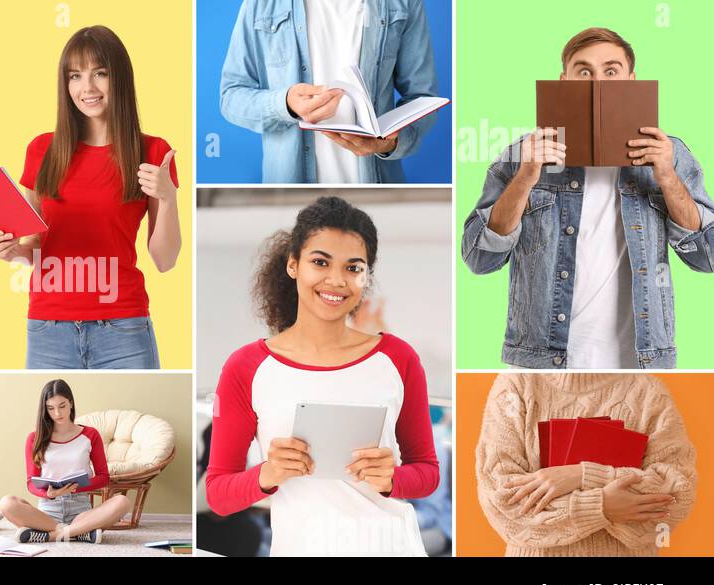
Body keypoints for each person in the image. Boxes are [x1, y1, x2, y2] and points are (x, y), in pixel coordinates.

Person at [461, 27, 714, 369]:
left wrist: (667, 176)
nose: (597, 83)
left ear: (631, 80)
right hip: (543, 362)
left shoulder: (671, 154)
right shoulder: (523, 153)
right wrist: (525, 177)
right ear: (564, 81)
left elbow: (708, 257)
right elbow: (479, 259)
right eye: (584, 72)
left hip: (638, 363)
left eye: (611, 71)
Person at [205, 196, 439, 556]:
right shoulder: (246, 367)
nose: (336, 280)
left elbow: (427, 472)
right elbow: (218, 496)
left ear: (366, 276)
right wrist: (268, 474)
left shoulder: (397, 358)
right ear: (293, 264)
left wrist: (393, 478)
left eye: (353, 267)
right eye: (320, 262)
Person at [0, 25, 180, 369]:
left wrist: (168, 198)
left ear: (119, 78)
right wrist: (12, 250)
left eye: (100, 73)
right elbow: (32, 246)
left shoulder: (153, 151)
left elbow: (164, 261)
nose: (86, 87)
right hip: (49, 330)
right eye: (75, 76)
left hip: (123, 327)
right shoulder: (41, 149)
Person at [476, 373, 695, 556]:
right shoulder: (516, 385)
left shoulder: (648, 393)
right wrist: (600, 506)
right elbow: (501, 502)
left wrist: (582, 474)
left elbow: (678, 494)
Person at [219, 0, 440, 183]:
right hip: (289, 184)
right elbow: (231, 96)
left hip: (378, 183)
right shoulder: (261, 4)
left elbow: (422, 96)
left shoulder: (404, 3)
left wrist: (390, 142)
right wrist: (285, 105)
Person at [0, 379, 130, 544]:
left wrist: (75, 488)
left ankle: (52, 535)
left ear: (71, 403)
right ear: (45, 410)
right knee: (7, 503)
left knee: (122, 502)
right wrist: (49, 494)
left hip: (81, 511)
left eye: (62, 406)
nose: (58, 413)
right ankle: (80, 533)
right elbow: (31, 482)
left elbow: (103, 477)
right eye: (51, 408)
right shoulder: (35, 438)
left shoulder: (90, 435)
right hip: (47, 511)